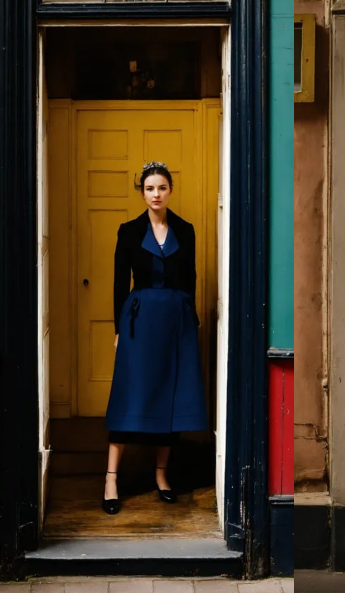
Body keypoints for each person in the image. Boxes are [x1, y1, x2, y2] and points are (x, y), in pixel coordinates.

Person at [102, 162, 209, 515]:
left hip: (176, 321)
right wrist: (118, 329)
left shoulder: (186, 229)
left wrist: (190, 319)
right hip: (140, 321)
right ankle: (111, 479)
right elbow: (118, 282)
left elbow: (190, 277)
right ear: (142, 192)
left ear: (170, 190)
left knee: (171, 396)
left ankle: (162, 476)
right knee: (130, 394)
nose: (156, 194)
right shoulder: (129, 231)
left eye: (161, 187)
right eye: (150, 188)